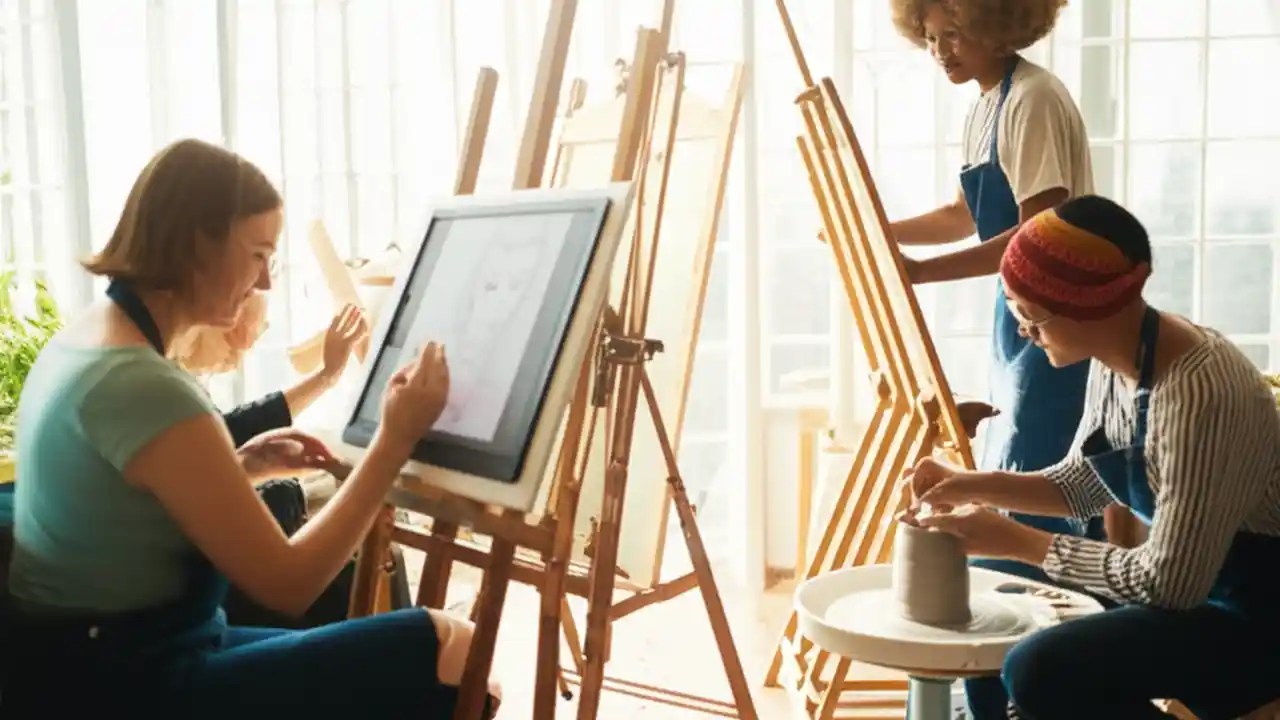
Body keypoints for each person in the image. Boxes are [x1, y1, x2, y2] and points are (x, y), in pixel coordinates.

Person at [2, 139, 500, 717]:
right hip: (131, 682)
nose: (265, 282)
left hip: (84, 663)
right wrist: (393, 442)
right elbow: (289, 585)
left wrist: (237, 467)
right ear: (197, 243)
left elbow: (121, 505)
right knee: (454, 652)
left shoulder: (87, 339)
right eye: (259, 253)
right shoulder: (143, 383)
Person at [900, 195, 1280, 719]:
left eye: (1032, 317)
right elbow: (1082, 483)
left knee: (1040, 669)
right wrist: (968, 484)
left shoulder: (1201, 394)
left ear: (1093, 305)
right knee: (986, 591)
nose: (1023, 334)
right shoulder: (1117, 356)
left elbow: (1167, 584)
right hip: (1191, 587)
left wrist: (1021, 538)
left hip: (1252, 616)